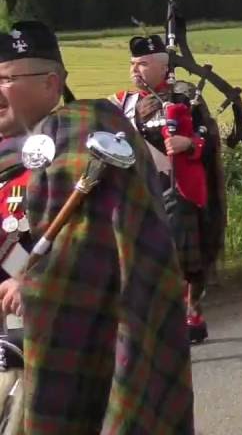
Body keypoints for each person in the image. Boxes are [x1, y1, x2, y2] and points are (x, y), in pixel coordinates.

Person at [0, 21, 194, 432]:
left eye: (5, 79)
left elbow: (92, 249)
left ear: (50, 83)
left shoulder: (80, 138)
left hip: (43, 338)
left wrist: (32, 282)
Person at [111, 34, 224, 345]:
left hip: (176, 186)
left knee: (185, 260)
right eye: (133, 64)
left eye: (143, 64)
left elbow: (209, 136)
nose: (136, 70)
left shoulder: (184, 96)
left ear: (163, 68)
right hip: (134, 192)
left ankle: (192, 312)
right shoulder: (120, 103)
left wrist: (190, 143)